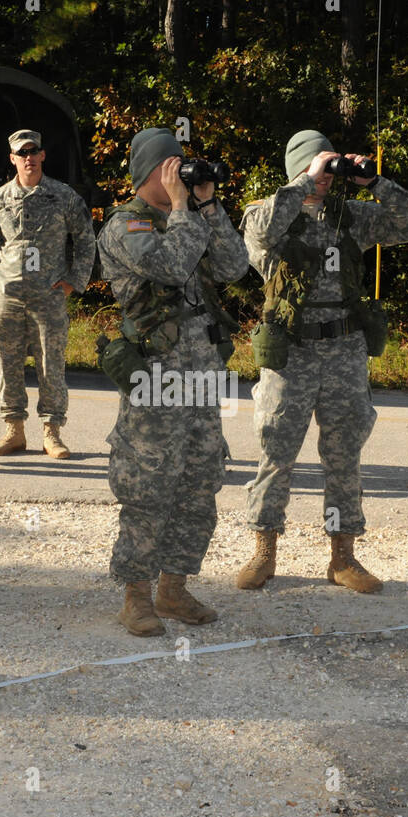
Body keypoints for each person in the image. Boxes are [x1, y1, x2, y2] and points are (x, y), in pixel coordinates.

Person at [237, 130, 408, 593]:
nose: (325, 178)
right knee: (277, 453)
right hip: (291, 351)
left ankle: (343, 557)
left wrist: (374, 182)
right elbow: (259, 233)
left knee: (344, 456)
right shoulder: (270, 213)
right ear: (299, 168)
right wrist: (303, 183)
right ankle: (264, 551)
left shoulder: (350, 217)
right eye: (316, 167)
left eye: (328, 168)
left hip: (344, 348)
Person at [97, 127, 248, 635]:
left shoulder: (192, 218)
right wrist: (185, 211)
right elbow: (171, 265)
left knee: (200, 481)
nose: (184, 175)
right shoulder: (128, 223)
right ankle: (135, 597)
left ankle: (174, 588)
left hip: (203, 375)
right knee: (149, 484)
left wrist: (208, 208)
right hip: (156, 377)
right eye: (175, 167)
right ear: (152, 172)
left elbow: (233, 266)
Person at [0, 129, 96, 458]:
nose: (28, 157)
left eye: (34, 151)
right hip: (7, 295)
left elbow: (86, 240)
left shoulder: (64, 196)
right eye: (21, 152)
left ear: (42, 155)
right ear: (12, 159)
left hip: (48, 297)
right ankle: (13, 431)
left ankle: (52, 433)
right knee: (7, 365)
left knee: (50, 365)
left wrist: (74, 280)